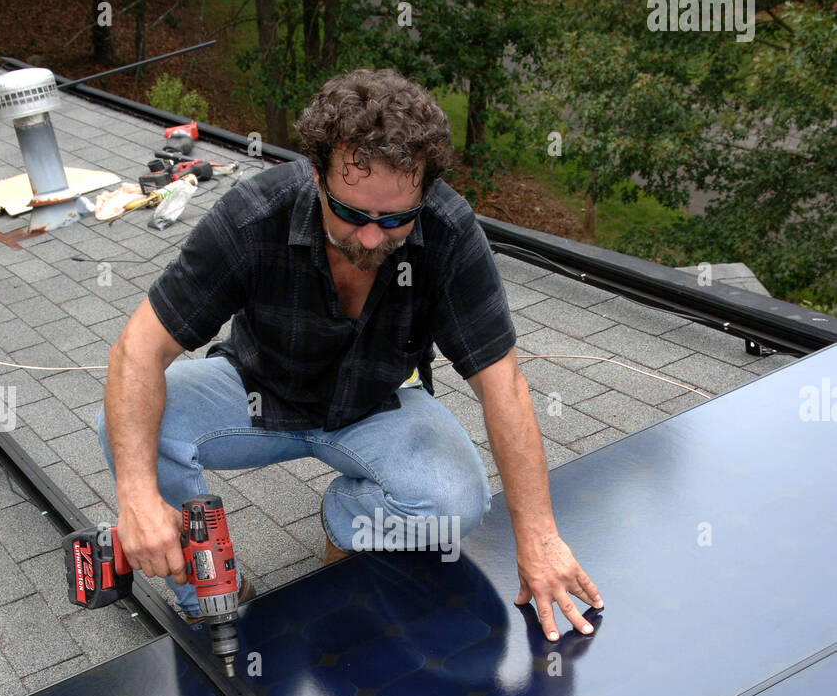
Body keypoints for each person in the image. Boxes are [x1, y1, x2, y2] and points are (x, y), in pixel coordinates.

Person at [96, 67, 602, 640]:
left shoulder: (448, 232)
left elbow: (503, 384)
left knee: (455, 504)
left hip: (375, 402)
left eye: (394, 220)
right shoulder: (253, 216)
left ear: (425, 193)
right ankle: (208, 592)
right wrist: (137, 498)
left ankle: (344, 519)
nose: (370, 236)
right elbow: (135, 351)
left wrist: (538, 538)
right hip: (260, 392)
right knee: (128, 424)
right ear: (317, 175)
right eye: (353, 214)